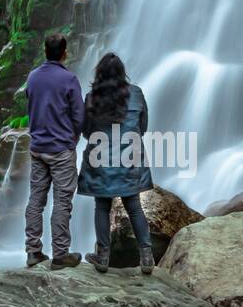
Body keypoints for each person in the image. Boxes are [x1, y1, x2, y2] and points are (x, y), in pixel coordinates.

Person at [79, 53, 154, 275]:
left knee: (102, 206)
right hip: (129, 156)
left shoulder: (92, 97)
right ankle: (147, 256)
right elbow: (143, 126)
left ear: (99, 74)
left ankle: (102, 256)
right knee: (134, 207)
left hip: (100, 158)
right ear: (123, 73)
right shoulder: (137, 94)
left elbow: (86, 131)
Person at [24, 35, 83, 269]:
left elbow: (30, 105)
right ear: (64, 52)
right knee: (62, 202)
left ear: (44, 50)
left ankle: (33, 251)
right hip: (61, 150)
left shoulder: (33, 77)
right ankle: (60, 254)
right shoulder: (69, 79)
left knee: (36, 200)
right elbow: (79, 116)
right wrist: (73, 138)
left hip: (38, 148)